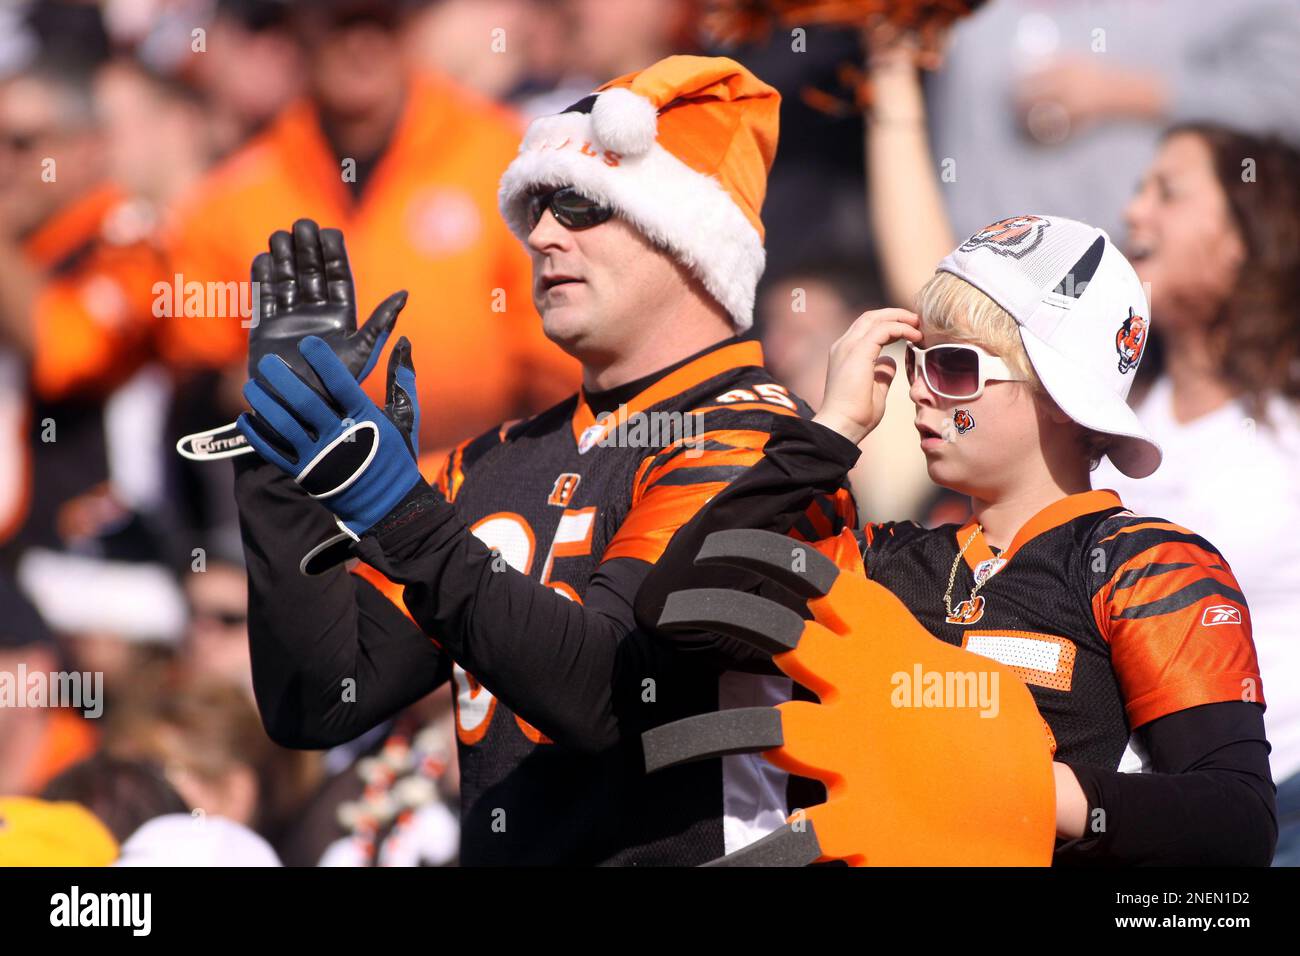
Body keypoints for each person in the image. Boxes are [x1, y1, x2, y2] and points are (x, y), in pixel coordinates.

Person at [231, 55, 855, 865]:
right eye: (535, 206)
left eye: (580, 205)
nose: (542, 233)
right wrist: (286, 465)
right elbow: (318, 702)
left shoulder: (759, 441)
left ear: (688, 238)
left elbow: (612, 692)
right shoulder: (496, 459)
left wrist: (402, 515)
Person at [636, 215, 1277, 865]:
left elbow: (1237, 819)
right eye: (917, 361)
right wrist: (827, 432)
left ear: (1057, 393)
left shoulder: (1146, 566)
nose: (916, 388)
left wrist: (1011, 782)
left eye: (951, 365)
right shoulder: (879, 558)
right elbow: (673, 609)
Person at [164, 0, 575, 453]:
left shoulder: (503, 157)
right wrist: (274, 390)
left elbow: (560, 359)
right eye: (339, 23)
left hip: (482, 479)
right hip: (308, 492)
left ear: (414, 27)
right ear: (298, 30)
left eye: (381, 22)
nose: (360, 45)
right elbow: (196, 383)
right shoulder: (235, 194)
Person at [1093, 125, 1300, 864]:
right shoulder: (1104, 428)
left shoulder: (1288, 427)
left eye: (1168, 193)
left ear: (1247, 238)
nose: (1134, 212)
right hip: (1132, 819)